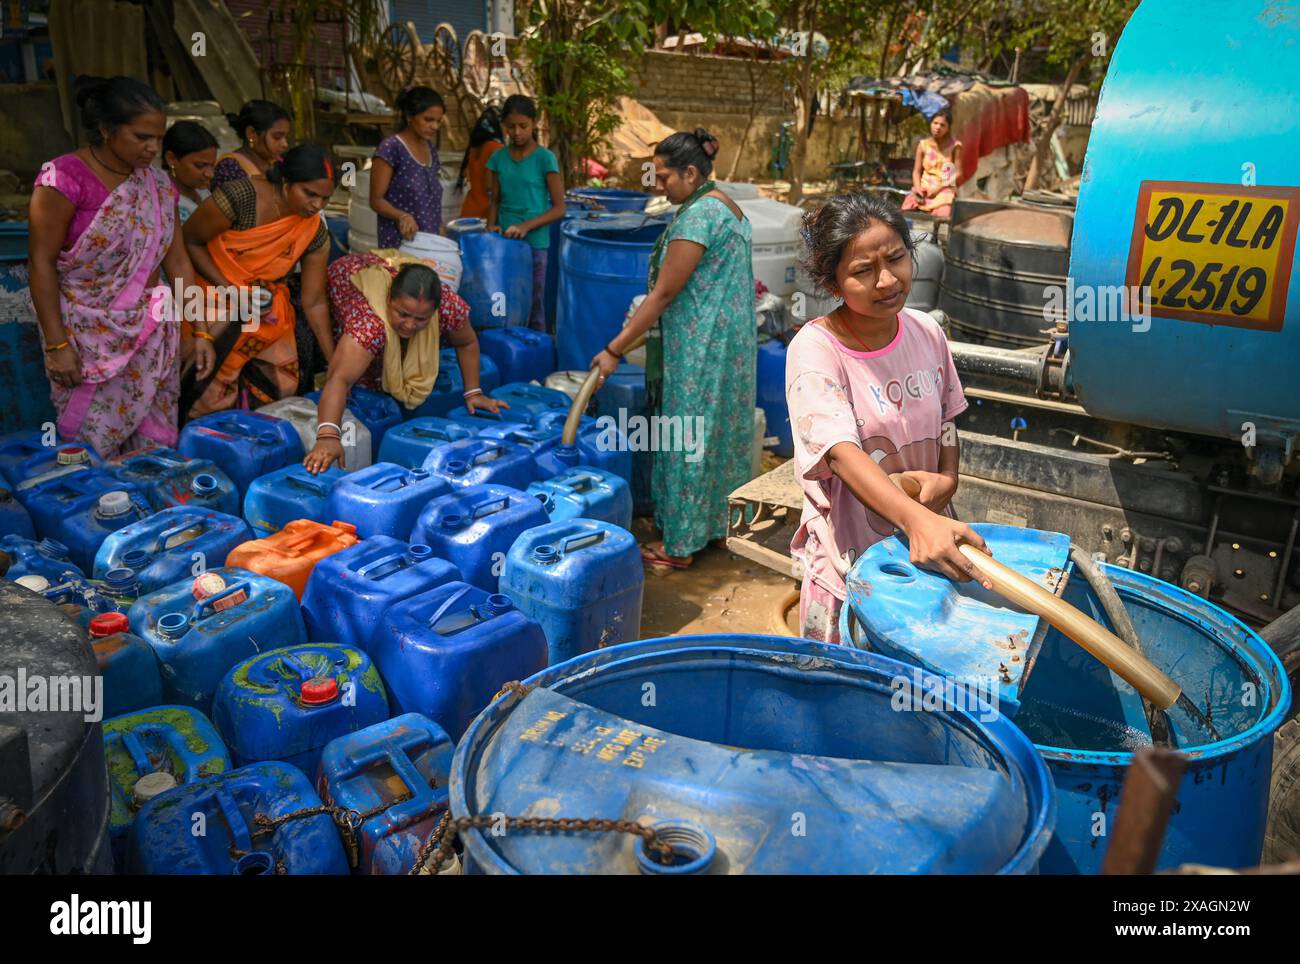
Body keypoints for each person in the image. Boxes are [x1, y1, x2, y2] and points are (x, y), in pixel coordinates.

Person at [785, 192, 990, 644]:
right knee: (844, 689)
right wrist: (917, 521)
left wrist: (948, 478)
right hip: (852, 563)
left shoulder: (927, 332)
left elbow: (948, 419)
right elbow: (839, 453)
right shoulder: (816, 350)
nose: (886, 280)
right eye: (862, 271)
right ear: (834, 283)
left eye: (896, 258)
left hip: (925, 553)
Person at [590, 129, 755, 573]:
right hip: (731, 348)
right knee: (718, 436)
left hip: (699, 349)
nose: (659, 185)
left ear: (690, 172)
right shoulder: (727, 206)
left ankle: (680, 543)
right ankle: (718, 527)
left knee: (687, 438)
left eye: (664, 177)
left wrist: (614, 349)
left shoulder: (698, 216)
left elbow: (664, 294)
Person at [28, 75, 211, 457]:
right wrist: (58, 344)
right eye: (142, 137)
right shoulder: (64, 178)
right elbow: (41, 263)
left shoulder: (159, 185)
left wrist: (200, 330)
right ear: (107, 130)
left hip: (149, 332)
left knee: (153, 445)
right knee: (90, 446)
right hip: (84, 336)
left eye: (158, 139)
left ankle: (151, 507)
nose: (152, 148)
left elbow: (176, 261)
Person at [303, 253, 504, 473]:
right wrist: (328, 436)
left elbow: (467, 342)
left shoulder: (448, 306)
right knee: (355, 367)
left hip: (386, 270)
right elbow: (339, 379)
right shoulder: (369, 324)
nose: (409, 325)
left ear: (435, 311)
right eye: (403, 314)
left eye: (421, 319)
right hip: (346, 276)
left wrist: (474, 393)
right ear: (389, 298)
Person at [181, 143, 335, 417]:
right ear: (286, 181)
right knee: (208, 392)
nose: (316, 206)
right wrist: (230, 290)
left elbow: (314, 301)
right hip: (212, 297)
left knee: (281, 388)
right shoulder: (240, 197)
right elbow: (189, 241)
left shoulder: (314, 231)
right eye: (309, 194)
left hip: (265, 310)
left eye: (325, 199)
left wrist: (334, 362)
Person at [486, 94, 565, 332]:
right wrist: (491, 226)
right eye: (511, 126)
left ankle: (535, 347)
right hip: (504, 241)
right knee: (503, 295)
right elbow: (495, 200)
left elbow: (560, 208)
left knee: (533, 300)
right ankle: (505, 344)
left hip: (534, 241)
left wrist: (526, 226)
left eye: (523, 126)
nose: (517, 132)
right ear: (504, 126)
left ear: (534, 124)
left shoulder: (545, 159)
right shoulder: (498, 158)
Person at [370, 86, 447, 247]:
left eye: (438, 121)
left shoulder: (431, 150)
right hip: (400, 244)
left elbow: (431, 199)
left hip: (430, 243)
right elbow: (376, 200)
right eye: (428, 119)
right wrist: (402, 216)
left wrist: (440, 228)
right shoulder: (391, 148)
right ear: (409, 116)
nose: (435, 126)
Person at [211, 100, 291, 189]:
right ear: (251, 133)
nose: (285, 144)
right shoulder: (229, 168)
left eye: (285, 137)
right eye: (277, 137)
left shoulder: (280, 162)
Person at [902, 109, 962, 219]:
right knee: (906, 210)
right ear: (930, 124)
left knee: (943, 216)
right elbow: (916, 171)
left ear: (948, 128)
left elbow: (958, 173)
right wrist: (918, 189)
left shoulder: (955, 146)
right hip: (924, 187)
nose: (938, 127)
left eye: (942, 125)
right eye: (935, 123)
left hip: (945, 187)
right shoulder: (923, 145)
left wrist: (938, 189)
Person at [163, 121, 218, 223]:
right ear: (171, 159)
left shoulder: (201, 190)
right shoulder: (163, 199)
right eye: (200, 166)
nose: (210, 174)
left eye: (212, 165)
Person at [456, 105, 503, 219]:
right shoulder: (496, 148)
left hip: (469, 211)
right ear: (498, 125)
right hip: (486, 214)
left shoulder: (473, 149)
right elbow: (490, 186)